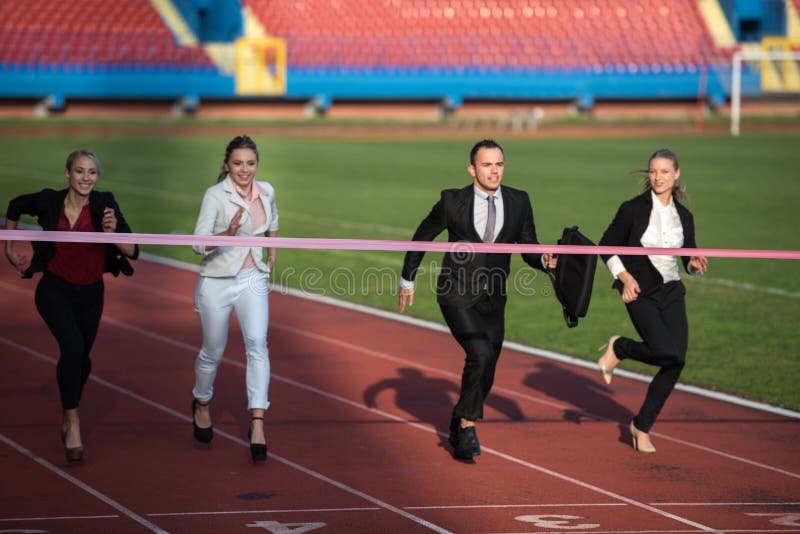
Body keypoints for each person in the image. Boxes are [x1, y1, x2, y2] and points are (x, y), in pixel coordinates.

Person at [398, 139, 557, 460]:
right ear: (472, 169)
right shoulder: (451, 201)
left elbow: (527, 245)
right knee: (480, 353)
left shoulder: (519, 201)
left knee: (488, 367)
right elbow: (423, 236)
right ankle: (468, 427)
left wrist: (543, 260)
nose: (494, 170)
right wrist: (407, 278)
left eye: (499, 164)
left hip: (494, 297)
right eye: (487, 165)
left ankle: (459, 418)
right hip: (456, 292)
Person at [3, 150, 138, 463]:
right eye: (79, 171)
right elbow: (15, 205)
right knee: (73, 348)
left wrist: (112, 233)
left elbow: (133, 250)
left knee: (82, 360)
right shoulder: (50, 201)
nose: (86, 178)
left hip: (91, 293)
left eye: (92, 172)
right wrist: (9, 248)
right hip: (54, 289)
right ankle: (72, 419)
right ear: (67, 173)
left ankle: (69, 407)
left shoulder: (105, 203)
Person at [596, 148, 708, 453]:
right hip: (639, 291)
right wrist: (625, 278)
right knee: (664, 351)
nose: (658, 177)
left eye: (664, 172)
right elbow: (606, 246)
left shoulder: (684, 216)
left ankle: (641, 426)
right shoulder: (632, 209)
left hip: (672, 292)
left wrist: (693, 265)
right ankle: (620, 347)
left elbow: (687, 257)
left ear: (676, 174)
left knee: (676, 360)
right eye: (653, 172)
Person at [190, 134, 278, 464]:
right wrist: (226, 234)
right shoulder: (215, 195)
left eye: (250, 163)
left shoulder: (267, 190)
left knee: (257, 344)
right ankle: (201, 401)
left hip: (252, 278)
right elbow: (197, 244)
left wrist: (272, 251)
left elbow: (273, 222)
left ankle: (258, 423)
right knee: (213, 350)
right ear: (227, 165)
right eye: (238, 163)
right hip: (217, 281)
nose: (245, 170)